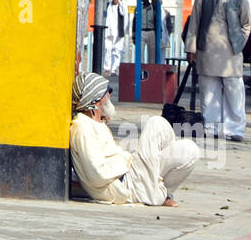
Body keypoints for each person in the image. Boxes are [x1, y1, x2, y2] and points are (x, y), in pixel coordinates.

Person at [69, 73, 198, 206]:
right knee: (156, 123)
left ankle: (158, 192)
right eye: (106, 92)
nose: (109, 96)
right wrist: (126, 158)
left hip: (133, 178)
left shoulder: (94, 123)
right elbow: (97, 173)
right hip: (126, 184)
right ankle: (152, 193)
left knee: (189, 151)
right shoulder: (82, 128)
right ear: (96, 99)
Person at [185, 0, 251, 142]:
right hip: (207, 50)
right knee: (209, 90)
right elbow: (194, 23)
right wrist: (191, 49)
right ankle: (211, 127)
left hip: (231, 53)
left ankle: (234, 129)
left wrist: (239, 43)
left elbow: (246, 24)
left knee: (234, 90)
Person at [103, 0, 127, 76]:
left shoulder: (123, 6)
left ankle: (114, 69)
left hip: (118, 32)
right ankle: (107, 68)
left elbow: (126, 19)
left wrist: (123, 30)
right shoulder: (108, 5)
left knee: (117, 51)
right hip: (109, 31)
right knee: (107, 50)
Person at [138, 0, 157, 64]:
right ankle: (141, 69)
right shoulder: (139, 8)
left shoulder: (153, 8)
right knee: (140, 52)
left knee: (152, 53)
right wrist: (134, 35)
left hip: (151, 31)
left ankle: (151, 68)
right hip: (141, 31)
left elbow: (157, 20)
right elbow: (134, 22)